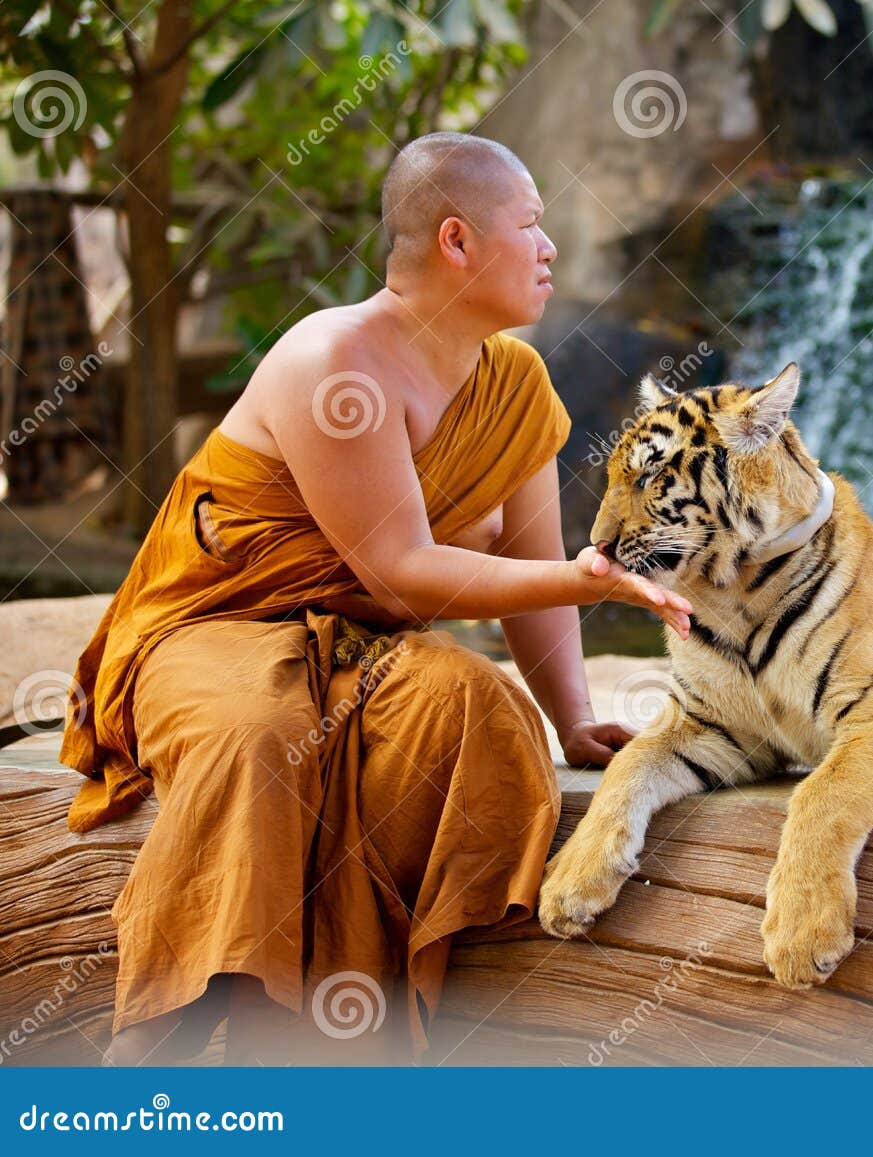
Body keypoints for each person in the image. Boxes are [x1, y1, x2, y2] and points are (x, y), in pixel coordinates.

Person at [59, 131, 692, 1065]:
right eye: (530, 224)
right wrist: (591, 579)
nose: (551, 247)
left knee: (471, 709)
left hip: (359, 647)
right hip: (215, 629)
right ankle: (155, 1047)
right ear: (456, 241)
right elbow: (399, 567)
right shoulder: (338, 361)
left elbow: (528, 571)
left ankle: (341, 1036)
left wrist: (573, 719)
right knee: (260, 735)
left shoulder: (515, 381)